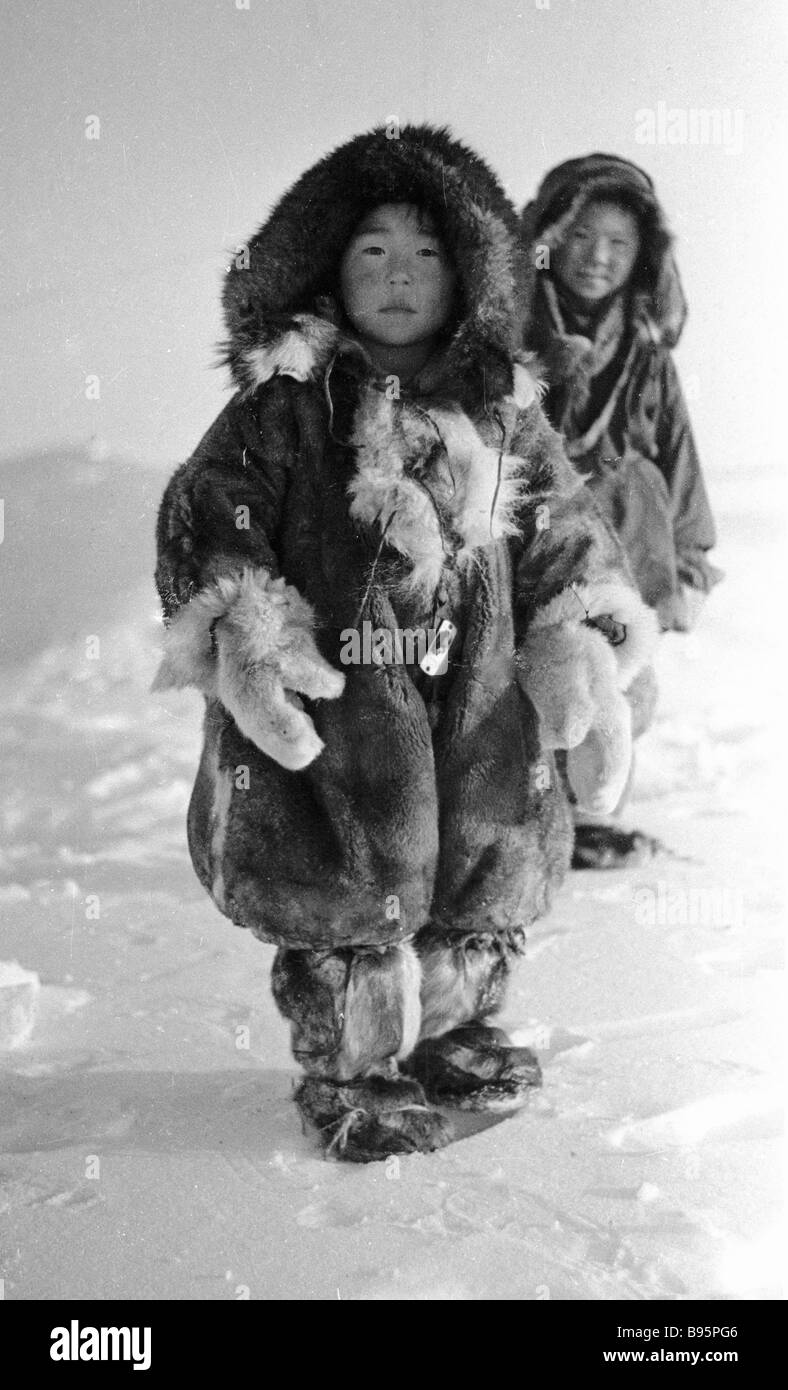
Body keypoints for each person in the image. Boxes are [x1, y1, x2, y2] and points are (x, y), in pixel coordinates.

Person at [152, 125, 657, 1162]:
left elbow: (565, 533)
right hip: (333, 708)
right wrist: (249, 623)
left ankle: (458, 1036)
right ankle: (352, 1067)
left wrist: (574, 635)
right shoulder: (283, 407)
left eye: (425, 253)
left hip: (478, 710)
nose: (397, 275)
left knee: (479, 884)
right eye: (371, 251)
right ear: (327, 265)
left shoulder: (504, 416)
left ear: (470, 272)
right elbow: (213, 517)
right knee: (348, 902)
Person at [522, 154, 722, 869]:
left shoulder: (648, 359)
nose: (597, 257)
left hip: (627, 558)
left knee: (621, 695)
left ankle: (589, 819)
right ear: (546, 237)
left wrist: (691, 560)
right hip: (528, 551)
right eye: (580, 236)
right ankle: (511, 824)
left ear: (642, 258)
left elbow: (679, 461)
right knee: (520, 692)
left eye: (618, 243)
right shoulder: (506, 339)